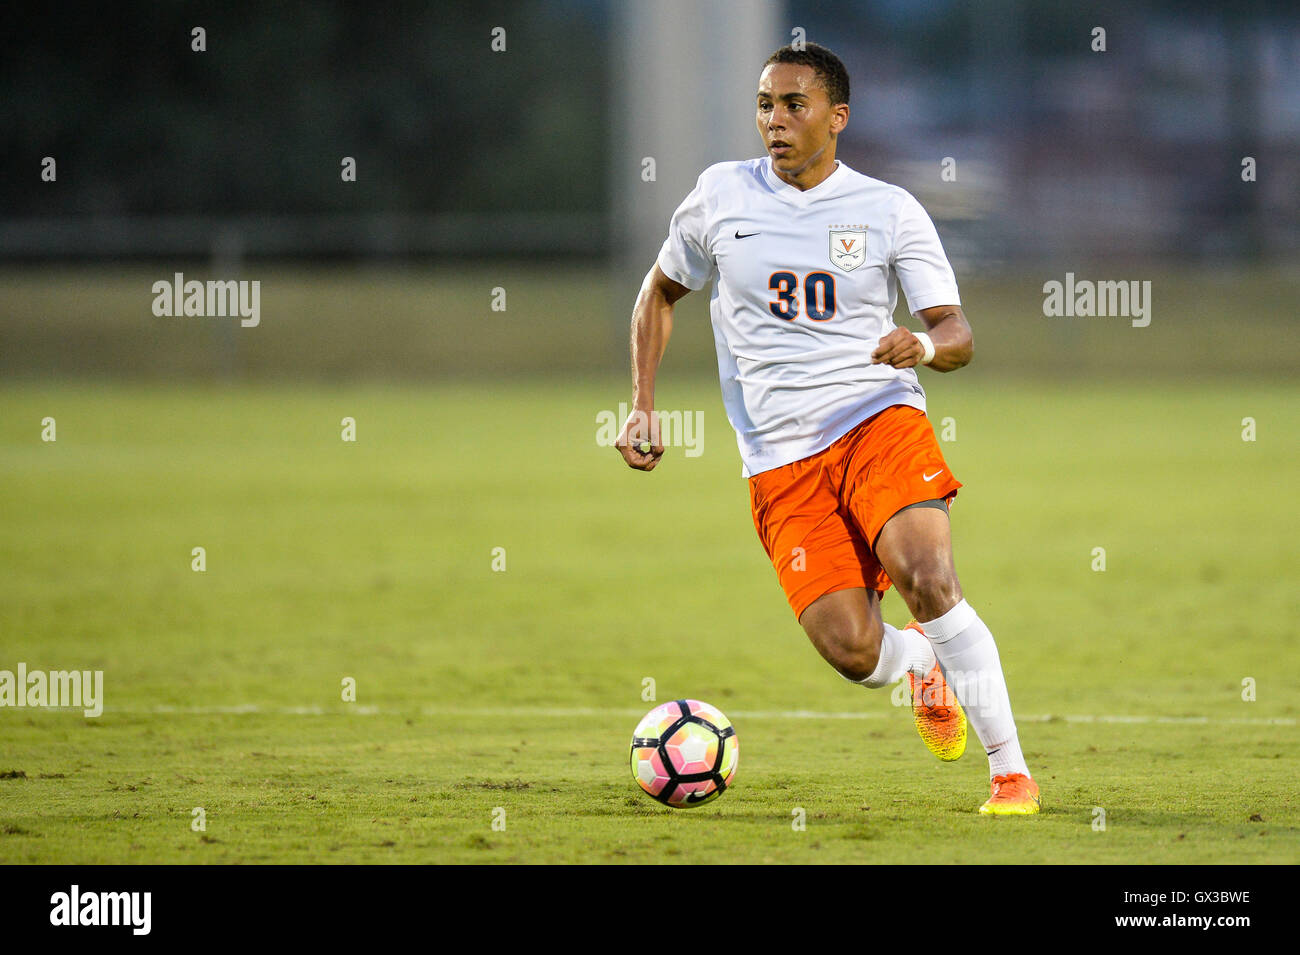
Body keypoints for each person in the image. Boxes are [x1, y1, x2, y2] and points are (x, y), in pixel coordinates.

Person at [615, 42, 1038, 814]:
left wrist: (925, 345)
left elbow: (959, 332)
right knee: (851, 648)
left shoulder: (887, 208)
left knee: (928, 576)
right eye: (764, 105)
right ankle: (919, 666)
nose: (774, 120)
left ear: (836, 117)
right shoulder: (719, 197)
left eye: (793, 104)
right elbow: (658, 292)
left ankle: (1010, 772)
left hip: (878, 418)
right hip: (778, 457)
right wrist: (642, 403)